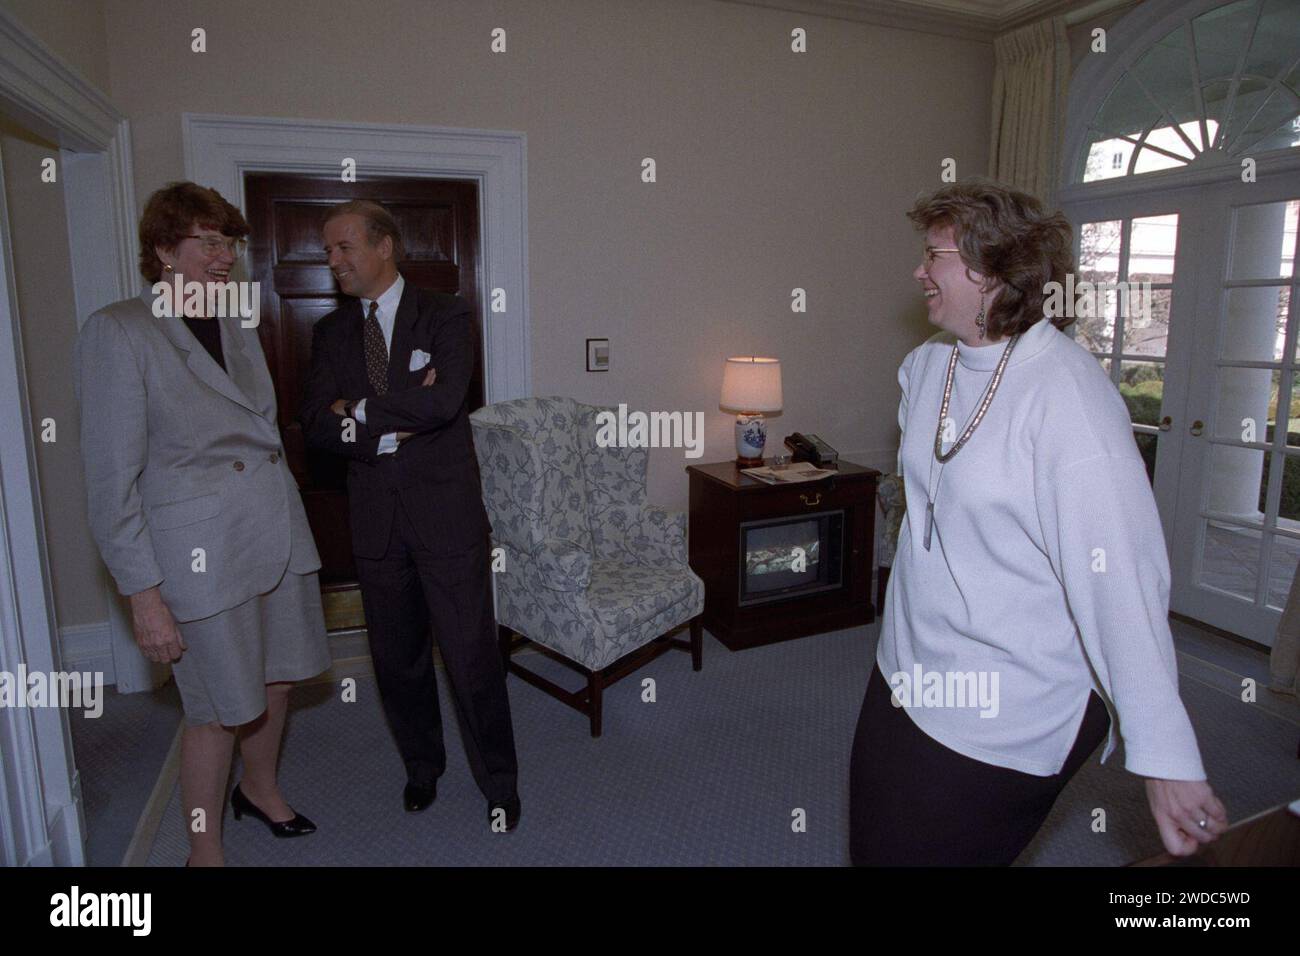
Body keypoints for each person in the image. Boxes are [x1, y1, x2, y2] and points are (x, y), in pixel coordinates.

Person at [849, 179, 1228, 865]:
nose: (917, 271)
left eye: (932, 255)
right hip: (909, 661)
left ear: (990, 271)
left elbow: (1120, 579)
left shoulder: (1069, 401)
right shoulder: (925, 368)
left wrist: (1165, 752)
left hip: (1011, 694)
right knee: (873, 842)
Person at [76, 181, 330, 866]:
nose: (224, 256)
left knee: (276, 679)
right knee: (217, 704)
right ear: (163, 249)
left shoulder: (236, 320)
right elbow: (111, 482)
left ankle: (262, 789)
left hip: (275, 532)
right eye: (208, 241)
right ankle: (203, 847)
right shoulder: (120, 330)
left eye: (230, 242)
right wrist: (143, 593)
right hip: (198, 553)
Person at [299, 200, 520, 829]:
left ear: (384, 245)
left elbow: (446, 402)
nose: (333, 261)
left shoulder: (447, 314)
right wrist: (390, 422)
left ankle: (498, 779)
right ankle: (422, 767)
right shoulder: (329, 334)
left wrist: (361, 411)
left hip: (446, 516)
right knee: (397, 659)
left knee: (471, 652)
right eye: (328, 252)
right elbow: (316, 425)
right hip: (374, 521)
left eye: (343, 247)